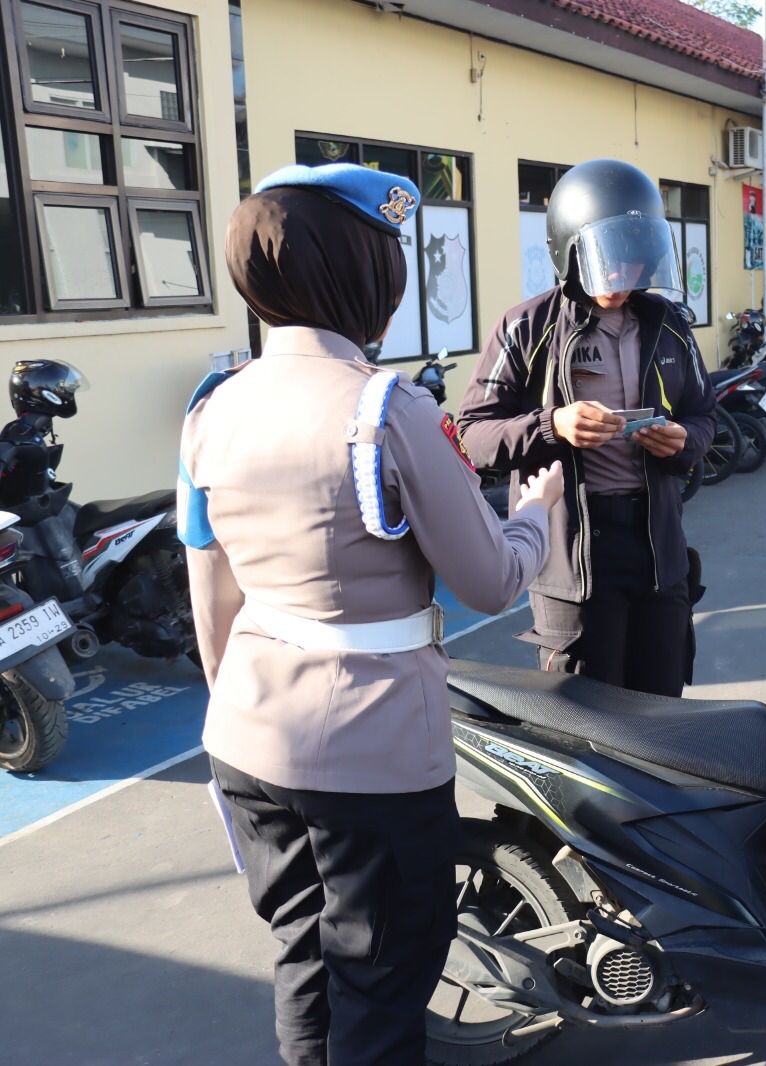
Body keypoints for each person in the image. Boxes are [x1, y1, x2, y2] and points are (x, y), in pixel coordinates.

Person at [181, 163, 561, 1066]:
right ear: (364, 284)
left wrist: (238, 700)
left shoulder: (212, 406)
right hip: (373, 750)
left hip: (244, 735)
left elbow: (211, 590)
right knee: (383, 988)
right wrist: (535, 518)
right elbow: (489, 581)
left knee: (304, 959)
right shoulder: (389, 408)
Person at [455, 159, 716, 698]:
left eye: (634, 258)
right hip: (572, 558)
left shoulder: (670, 325)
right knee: (589, 722)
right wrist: (552, 425)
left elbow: (705, 413)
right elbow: (471, 435)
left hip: (658, 550)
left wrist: (685, 441)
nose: (621, 277)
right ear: (569, 252)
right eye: (607, 260)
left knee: (663, 712)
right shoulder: (526, 327)